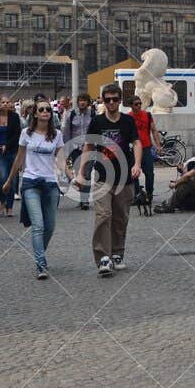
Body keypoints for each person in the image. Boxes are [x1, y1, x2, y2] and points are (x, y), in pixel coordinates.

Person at [74, 85, 142, 277]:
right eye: (107, 99)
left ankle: (118, 253)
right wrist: (81, 173)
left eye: (114, 99)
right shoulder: (97, 121)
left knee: (121, 218)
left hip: (125, 177)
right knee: (103, 215)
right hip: (103, 176)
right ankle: (103, 257)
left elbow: (136, 143)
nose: (111, 102)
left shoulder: (128, 121)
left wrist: (137, 164)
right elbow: (88, 147)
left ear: (120, 100)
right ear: (103, 101)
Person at [5, 100, 62, 279]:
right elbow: (19, 158)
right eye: (41, 109)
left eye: (48, 109)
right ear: (35, 114)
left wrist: (74, 177)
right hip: (30, 183)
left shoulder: (57, 134)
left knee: (50, 226)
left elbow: (61, 159)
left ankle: (40, 252)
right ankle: (41, 264)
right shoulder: (26, 133)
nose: (45, 112)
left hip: (51, 183)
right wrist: (9, 181)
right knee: (38, 225)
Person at [62, 93, 95, 209]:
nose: (82, 102)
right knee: (79, 173)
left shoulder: (93, 114)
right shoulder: (71, 115)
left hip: (90, 148)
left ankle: (85, 200)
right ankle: (82, 199)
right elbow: (66, 133)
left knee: (87, 173)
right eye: (80, 100)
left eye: (84, 100)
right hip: (75, 148)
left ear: (88, 102)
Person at [127, 95, 161, 203]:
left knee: (149, 172)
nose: (139, 106)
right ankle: (137, 195)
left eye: (140, 103)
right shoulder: (128, 117)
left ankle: (149, 193)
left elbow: (154, 130)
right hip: (133, 149)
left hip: (146, 148)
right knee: (134, 174)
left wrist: (158, 145)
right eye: (136, 104)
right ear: (131, 105)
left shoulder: (147, 115)